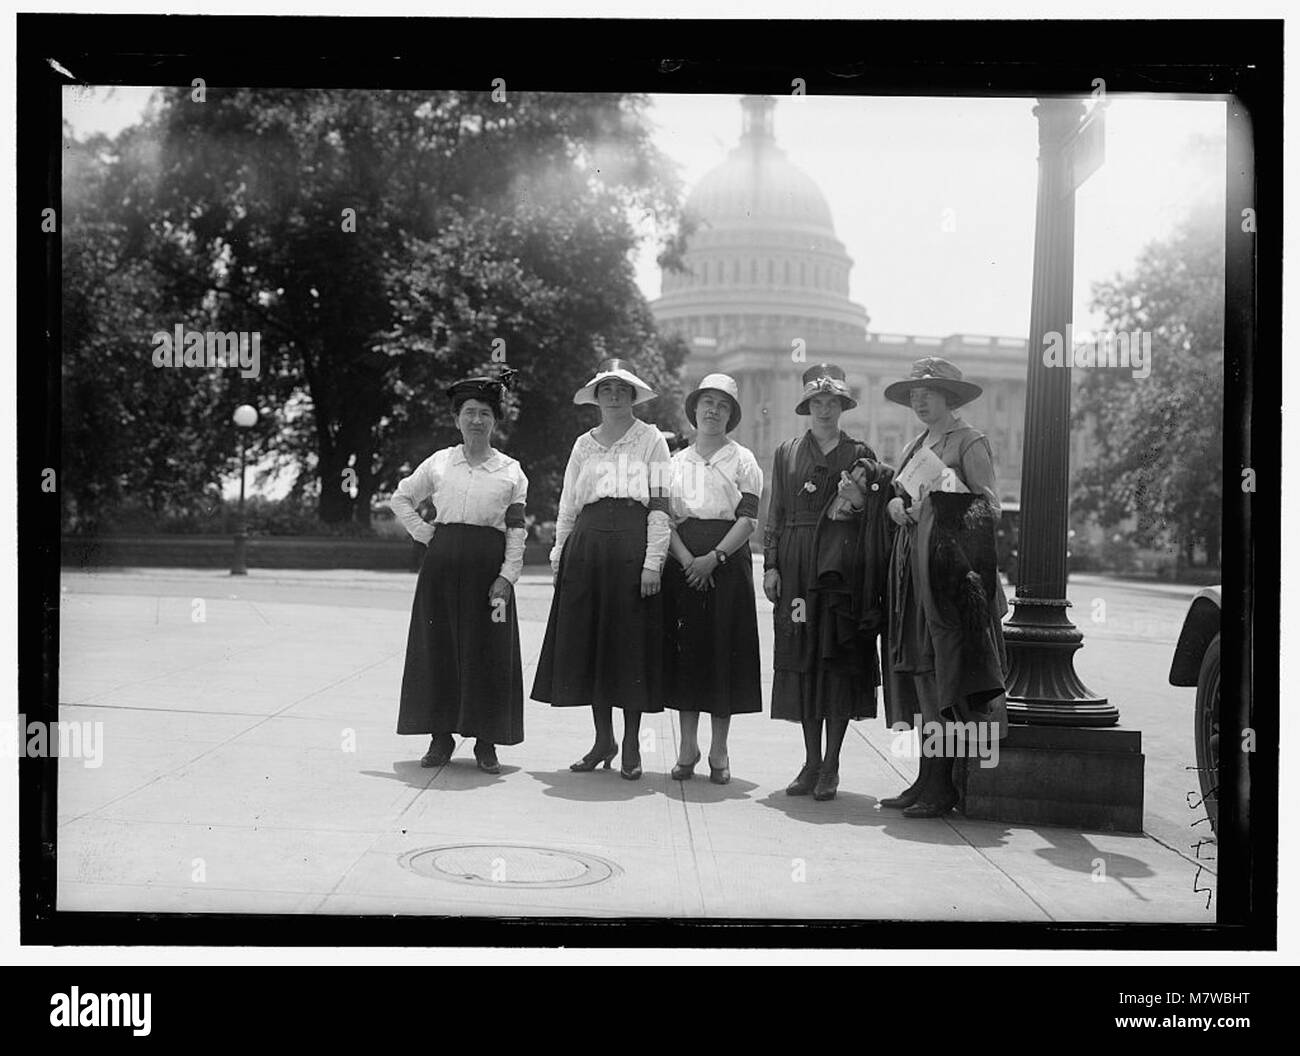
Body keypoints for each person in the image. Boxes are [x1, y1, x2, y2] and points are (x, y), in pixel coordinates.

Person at [531, 358, 672, 781]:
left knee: (628, 646)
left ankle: (631, 743)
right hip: (587, 546)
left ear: (633, 396)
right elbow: (569, 504)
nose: (614, 396)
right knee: (592, 645)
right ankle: (602, 739)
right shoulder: (583, 444)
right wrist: (559, 555)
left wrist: (653, 562)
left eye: (622, 390)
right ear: (596, 397)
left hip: (631, 542)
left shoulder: (651, 441)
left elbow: (661, 504)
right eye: (606, 390)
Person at [882, 357, 1009, 818]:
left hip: (949, 577)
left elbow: (990, 508)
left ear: (950, 398)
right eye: (915, 393)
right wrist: (898, 507)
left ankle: (945, 784)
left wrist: (948, 491)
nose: (919, 400)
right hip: (914, 572)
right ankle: (925, 777)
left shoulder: (970, 441)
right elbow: (903, 493)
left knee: (945, 674)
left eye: (928, 393)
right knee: (920, 672)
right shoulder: (917, 443)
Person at [763, 363, 891, 802]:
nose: (823, 409)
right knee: (803, 658)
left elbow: (876, 512)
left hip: (840, 568)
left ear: (842, 407)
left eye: (831, 402)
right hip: (797, 565)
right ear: (806, 406)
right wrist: (772, 565)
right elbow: (775, 511)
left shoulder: (860, 454)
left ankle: (832, 764)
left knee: (836, 660)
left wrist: (858, 503)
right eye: (816, 402)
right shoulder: (787, 452)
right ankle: (810, 761)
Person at [391, 372, 528, 774]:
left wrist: (508, 576)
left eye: (485, 413)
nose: (476, 421)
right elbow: (400, 498)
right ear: (457, 419)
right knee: (439, 647)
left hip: (490, 568)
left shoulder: (511, 471)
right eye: (469, 412)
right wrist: (425, 534)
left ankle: (486, 742)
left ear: (495, 421)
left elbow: (516, 529)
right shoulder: (438, 463)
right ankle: (440, 737)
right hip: (442, 565)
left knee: (489, 650)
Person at [663, 374, 764, 785]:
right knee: (688, 654)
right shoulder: (672, 463)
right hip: (684, 560)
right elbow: (664, 520)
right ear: (694, 410)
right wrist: (689, 560)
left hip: (727, 559)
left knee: (723, 654)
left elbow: (749, 518)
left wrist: (714, 557)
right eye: (707, 403)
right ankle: (688, 746)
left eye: (722, 406)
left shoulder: (743, 460)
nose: (713, 411)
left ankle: (720, 749)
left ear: (730, 415)